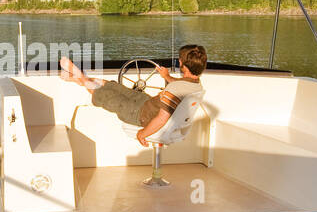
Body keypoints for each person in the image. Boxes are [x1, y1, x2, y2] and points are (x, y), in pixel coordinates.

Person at [60, 44, 207, 146]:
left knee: (103, 94)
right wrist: (167, 77)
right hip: (145, 102)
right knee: (113, 86)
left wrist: (142, 134)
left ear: (182, 64)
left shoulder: (175, 88)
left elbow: (162, 119)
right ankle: (76, 78)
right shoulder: (195, 84)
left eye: (180, 60)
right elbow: (178, 86)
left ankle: (78, 75)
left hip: (138, 114)